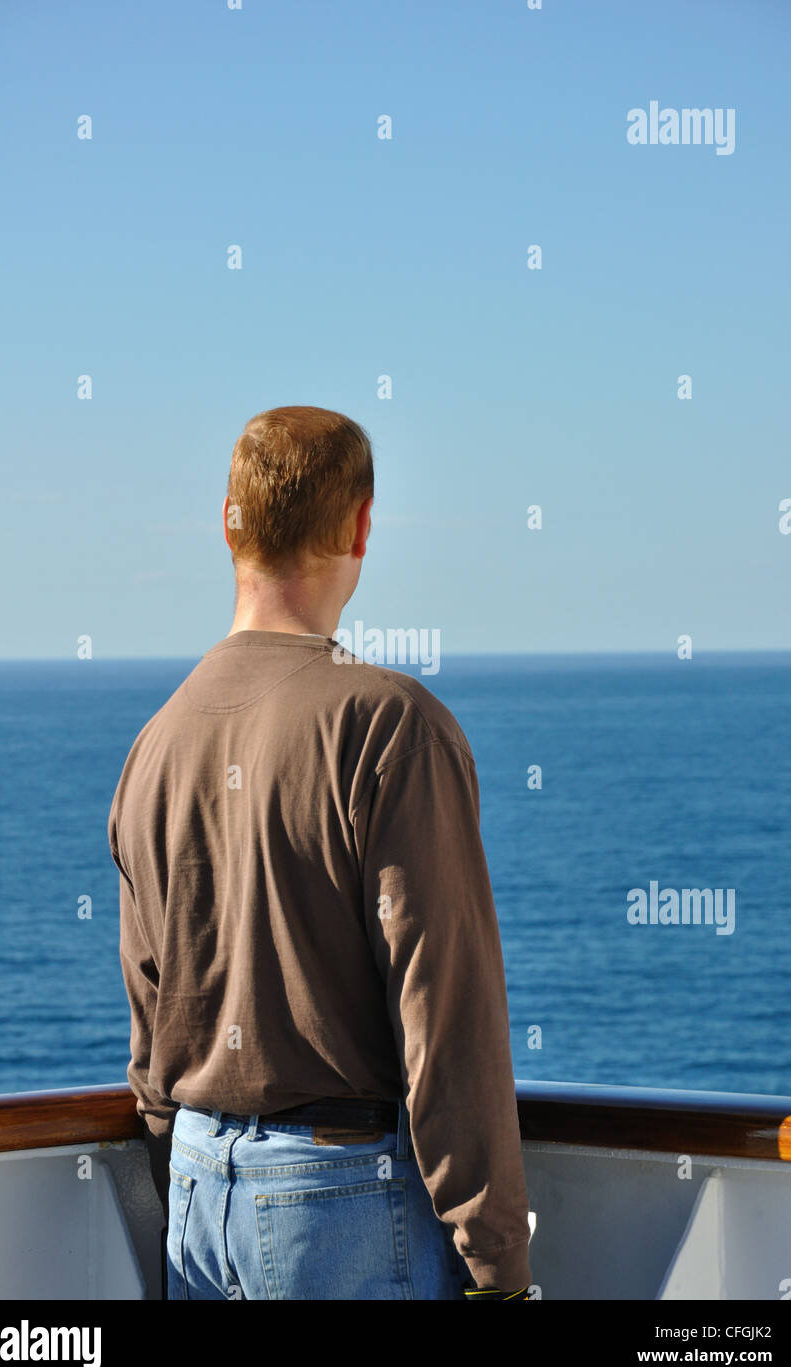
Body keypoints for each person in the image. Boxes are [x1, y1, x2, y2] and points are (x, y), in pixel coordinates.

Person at [108, 405, 532, 1300]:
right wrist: (499, 1265)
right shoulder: (390, 727)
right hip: (339, 1202)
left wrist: (184, 1165)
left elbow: (151, 1029)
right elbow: (443, 1015)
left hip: (194, 1191)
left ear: (228, 523)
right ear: (362, 526)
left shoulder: (155, 743)